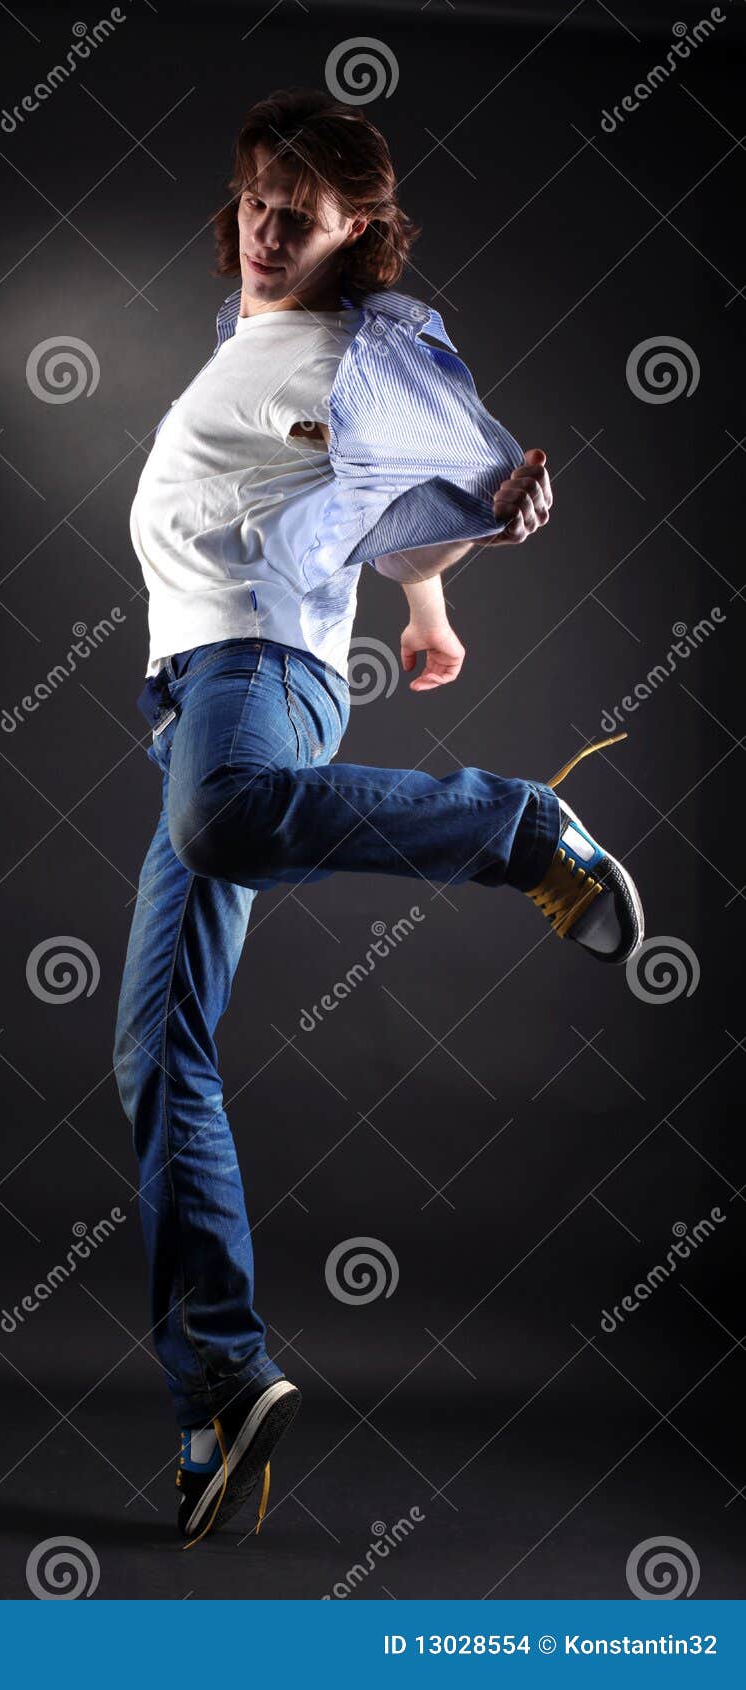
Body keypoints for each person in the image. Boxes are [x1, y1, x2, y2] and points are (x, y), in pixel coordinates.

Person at [113, 88, 644, 1548]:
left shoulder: (370, 335)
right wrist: (426, 598)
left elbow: (468, 460)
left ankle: (522, 827)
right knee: (158, 1046)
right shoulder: (254, 329)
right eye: (254, 204)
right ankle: (219, 1388)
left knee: (226, 820)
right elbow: (357, 494)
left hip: (254, 673)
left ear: (360, 234)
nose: (267, 231)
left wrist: (503, 501)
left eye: (302, 215)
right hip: (208, 681)